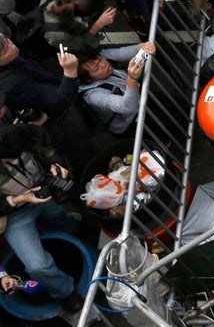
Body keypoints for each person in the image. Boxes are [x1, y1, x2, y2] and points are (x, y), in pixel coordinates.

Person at [0, 123, 86, 318]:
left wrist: (56, 163)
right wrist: (19, 199)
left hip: (43, 191)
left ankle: (73, 234)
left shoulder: (17, 133)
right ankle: (65, 291)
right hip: (14, 213)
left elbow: (45, 145)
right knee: (38, 266)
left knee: (60, 219)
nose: (16, 157)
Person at [77, 42, 156, 134]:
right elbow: (127, 106)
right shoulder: (93, 96)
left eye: (100, 59)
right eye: (96, 69)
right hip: (130, 122)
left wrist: (144, 48)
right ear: (89, 80)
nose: (103, 65)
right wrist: (132, 79)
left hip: (140, 97)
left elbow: (125, 51)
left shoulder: (103, 56)